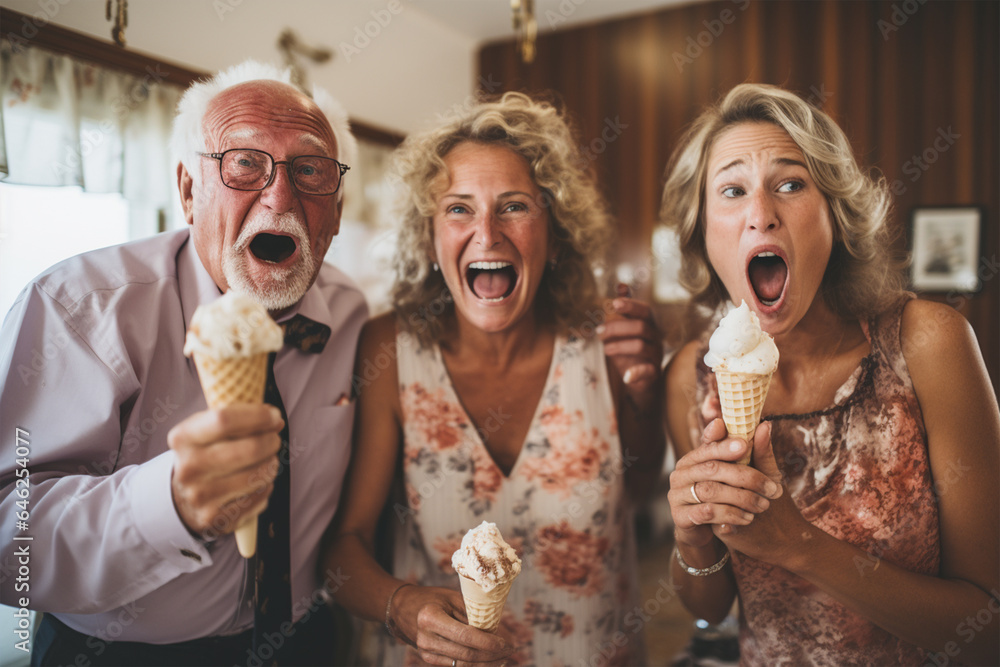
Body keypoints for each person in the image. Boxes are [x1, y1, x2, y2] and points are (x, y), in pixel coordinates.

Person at [0, 60, 367, 666]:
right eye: (244, 162)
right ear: (190, 191)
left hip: (305, 645)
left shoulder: (354, 316)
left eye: (310, 170)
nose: (279, 195)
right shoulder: (79, 309)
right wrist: (165, 502)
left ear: (337, 205)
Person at [661, 83, 1000, 665]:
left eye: (790, 185)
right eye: (732, 191)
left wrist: (797, 545)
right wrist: (691, 539)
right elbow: (711, 609)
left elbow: (987, 629)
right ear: (702, 233)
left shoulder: (929, 343)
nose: (760, 215)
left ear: (835, 216)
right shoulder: (692, 378)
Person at [323, 92, 666, 666]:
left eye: (514, 206)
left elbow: (632, 494)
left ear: (555, 236)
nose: (486, 234)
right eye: (458, 208)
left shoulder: (603, 341)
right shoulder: (390, 351)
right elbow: (344, 547)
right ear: (430, 237)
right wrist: (400, 606)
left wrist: (646, 395)